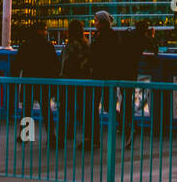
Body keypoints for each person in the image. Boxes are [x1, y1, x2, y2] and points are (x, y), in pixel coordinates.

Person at [10, 22, 58, 142]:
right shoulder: (48, 46)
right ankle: (51, 135)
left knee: (26, 109)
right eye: (45, 30)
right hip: (43, 82)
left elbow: (17, 65)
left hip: (28, 81)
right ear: (40, 31)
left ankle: (25, 135)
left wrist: (15, 79)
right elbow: (54, 66)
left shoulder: (25, 46)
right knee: (46, 110)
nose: (46, 32)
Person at [86, 10, 123, 148]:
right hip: (109, 76)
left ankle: (94, 138)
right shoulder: (113, 36)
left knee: (93, 106)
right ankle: (126, 125)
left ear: (102, 23)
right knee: (108, 105)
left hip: (100, 75)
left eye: (95, 20)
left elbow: (96, 55)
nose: (94, 23)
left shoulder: (102, 37)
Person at [119, 21, 156, 147]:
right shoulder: (143, 38)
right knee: (127, 96)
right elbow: (154, 49)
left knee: (124, 96)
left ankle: (125, 123)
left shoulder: (129, 34)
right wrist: (151, 36)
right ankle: (128, 124)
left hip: (120, 68)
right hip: (131, 70)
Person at [57, 19, 92, 148]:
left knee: (64, 109)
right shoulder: (85, 44)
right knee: (83, 110)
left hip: (70, 81)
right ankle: (88, 138)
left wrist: (62, 75)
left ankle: (61, 137)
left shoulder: (72, 45)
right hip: (84, 81)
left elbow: (67, 64)